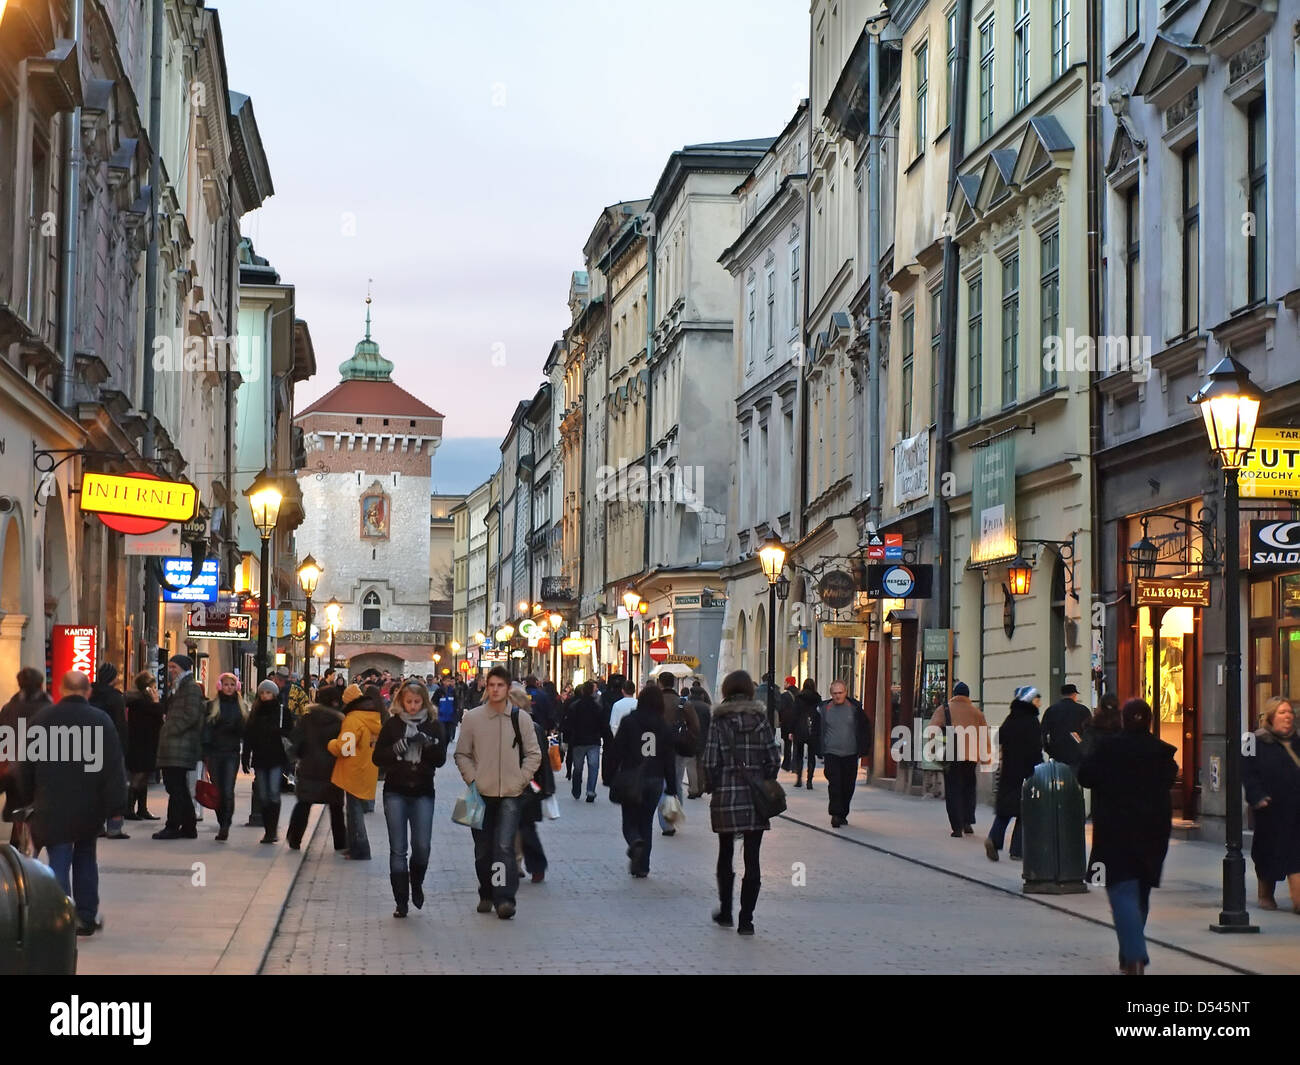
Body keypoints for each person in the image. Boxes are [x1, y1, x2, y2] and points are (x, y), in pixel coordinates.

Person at [21, 671, 127, 936]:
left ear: (59, 689)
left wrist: (26, 799)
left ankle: (60, 915)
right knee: (85, 857)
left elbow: (25, 767)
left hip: (50, 802)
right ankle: (86, 916)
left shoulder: (41, 720)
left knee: (58, 856)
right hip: (88, 804)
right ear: (88, 691)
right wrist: (116, 806)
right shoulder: (100, 721)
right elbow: (113, 766)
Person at [1078, 698, 1176, 975]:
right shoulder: (1161, 753)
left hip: (1115, 832)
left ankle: (1133, 955)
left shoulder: (1108, 749)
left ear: (1124, 720)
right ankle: (1127, 956)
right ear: (1150, 722)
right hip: (1153, 832)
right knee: (1141, 892)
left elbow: (1084, 776)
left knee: (1121, 891)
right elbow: (1170, 778)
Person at [453, 665, 541, 919]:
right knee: (482, 850)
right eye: (491, 685)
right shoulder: (473, 718)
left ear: (507, 687)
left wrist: (521, 779)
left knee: (504, 847)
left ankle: (504, 898)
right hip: (479, 794)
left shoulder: (520, 718)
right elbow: (462, 753)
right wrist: (472, 778)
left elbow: (534, 754)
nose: (495, 689)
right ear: (485, 686)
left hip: (511, 794)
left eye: (500, 685)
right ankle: (486, 892)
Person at [704, 670, 780, 935]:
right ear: (749, 690)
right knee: (753, 857)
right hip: (754, 796)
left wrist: (714, 784)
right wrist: (763, 779)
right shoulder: (760, 720)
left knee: (725, 852)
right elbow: (773, 758)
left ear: (725, 691)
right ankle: (746, 920)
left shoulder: (719, 721)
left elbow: (711, 761)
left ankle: (726, 911)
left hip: (726, 794)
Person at [373, 680, 447, 917]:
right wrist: (398, 748)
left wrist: (430, 744)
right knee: (398, 849)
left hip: (423, 790)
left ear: (424, 701)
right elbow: (377, 758)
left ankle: (416, 882)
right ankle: (401, 901)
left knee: (422, 846)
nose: (413, 706)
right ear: (401, 702)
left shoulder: (434, 725)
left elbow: (440, 759)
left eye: (417, 702)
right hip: (396, 790)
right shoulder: (393, 725)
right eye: (409, 702)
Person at [604, 685, 678, 878]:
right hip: (655, 779)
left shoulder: (629, 722)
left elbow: (616, 751)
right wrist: (671, 786)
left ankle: (634, 841)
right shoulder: (663, 726)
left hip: (631, 777)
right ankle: (643, 866)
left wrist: (609, 776)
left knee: (629, 820)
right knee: (646, 822)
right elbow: (669, 758)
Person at [1241, 695, 1300, 912]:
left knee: (1296, 855)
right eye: (1282, 713)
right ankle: (1265, 893)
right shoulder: (1252, 740)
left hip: (1295, 810)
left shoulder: (1297, 741)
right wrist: (1257, 796)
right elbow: (1246, 773)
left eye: (1290, 713)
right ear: (1271, 716)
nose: (1288, 717)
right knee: (1268, 853)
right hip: (1270, 810)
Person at [286, 683, 348, 852]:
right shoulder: (341, 722)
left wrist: (298, 757)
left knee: (304, 805)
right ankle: (340, 843)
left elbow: (296, 742)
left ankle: (295, 839)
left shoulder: (307, 718)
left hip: (309, 768)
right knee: (336, 809)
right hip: (332, 771)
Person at [984, 687, 1043, 861]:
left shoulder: (1011, 719)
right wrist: (1040, 767)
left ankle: (994, 840)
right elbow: (1035, 749)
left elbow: (999, 738)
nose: (1039, 702)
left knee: (1005, 811)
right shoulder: (1032, 722)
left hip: (1009, 771)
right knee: (1024, 812)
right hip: (1027, 772)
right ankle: (1017, 850)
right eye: (1036, 699)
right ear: (1029, 701)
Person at [328, 684, 383, 860]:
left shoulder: (353, 719)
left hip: (353, 769)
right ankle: (355, 846)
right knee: (354, 809)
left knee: (354, 811)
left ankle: (360, 847)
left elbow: (345, 747)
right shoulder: (373, 717)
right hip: (367, 767)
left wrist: (331, 744)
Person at [0, 667, 52, 854]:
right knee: (35, 809)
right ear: (40, 684)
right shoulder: (48, 708)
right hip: (40, 767)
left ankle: (16, 847)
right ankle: (29, 851)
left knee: (18, 809)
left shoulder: (9, 708)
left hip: (13, 767)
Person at [153, 655, 205, 840]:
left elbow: (190, 715)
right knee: (178, 787)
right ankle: (188, 826)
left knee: (176, 787)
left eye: (174, 666)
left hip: (180, 745)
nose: (171, 670)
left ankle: (173, 825)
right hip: (175, 746)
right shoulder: (179, 687)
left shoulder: (191, 688)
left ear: (183, 668)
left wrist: (170, 729)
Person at [931, 681, 989, 838]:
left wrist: (932, 749)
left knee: (953, 789)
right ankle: (967, 822)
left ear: (954, 694)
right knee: (969, 788)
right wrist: (986, 758)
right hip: (971, 757)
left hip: (952, 755)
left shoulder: (944, 709)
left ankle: (956, 827)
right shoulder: (977, 713)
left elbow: (932, 730)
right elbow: (984, 737)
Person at [511, 683, 554, 884]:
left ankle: (536, 865)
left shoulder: (531, 727)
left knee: (525, 828)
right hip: (520, 784)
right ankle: (528, 865)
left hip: (528, 786)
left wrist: (541, 786)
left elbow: (539, 760)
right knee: (523, 827)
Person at [243, 680, 290, 844]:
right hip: (260, 758)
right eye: (262, 693)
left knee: (273, 793)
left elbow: (290, 734)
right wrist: (245, 756)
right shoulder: (255, 712)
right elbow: (248, 735)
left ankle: (272, 831)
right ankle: (268, 829)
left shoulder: (283, 711)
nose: (265, 696)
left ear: (274, 694)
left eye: (268, 693)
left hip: (276, 757)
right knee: (263, 795)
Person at [202, 672, 247, 842]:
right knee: (217, 791)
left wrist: (239, 726)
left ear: (237, 687)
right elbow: (206, 729)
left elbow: (245, 732)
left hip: (231, 753)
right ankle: (222, 820)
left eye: (232, 684)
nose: (229, 687)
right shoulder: (212, 705)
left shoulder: (241, 706)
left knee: (228, 790)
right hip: (214, 753)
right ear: (220, 686)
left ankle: (225, 824)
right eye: (226, 684)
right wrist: (205, 752)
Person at [819, 680, 871, 827]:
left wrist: (864, 747)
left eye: (840, 693)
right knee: (834, 784)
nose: (837, 696)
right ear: (831, 694)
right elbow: (818, 730)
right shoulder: (824, 709)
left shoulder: (854, 709)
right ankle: (835, 814)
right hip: (831, 753)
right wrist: (819, 748)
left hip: (850, 753)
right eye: (835, 693)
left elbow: (865, 728)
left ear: (846, 692)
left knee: (848, 785)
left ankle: (843, 813)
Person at [90, 663, 130, 840]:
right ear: (113, 678)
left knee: (94, 787)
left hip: (90, 746)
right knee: (114, 787)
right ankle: (114, 827)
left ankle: (96, 825)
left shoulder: (90, 694)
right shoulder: (116, 698)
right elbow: (120, 724)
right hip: (111, 746)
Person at [658, 671, 700, 836]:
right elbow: (695, 727)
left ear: (660, 683)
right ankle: (673, 816)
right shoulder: (683, 703)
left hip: (658, 749)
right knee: (676, 784)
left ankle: (665, 824)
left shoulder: (654, 701)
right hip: (678, 748)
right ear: (674, 683)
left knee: (662, 785)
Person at [123, 671, 163, 823]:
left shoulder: (139, 701)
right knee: (139, 775)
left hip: (145, 742)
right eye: (153, 686)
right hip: (141, 743)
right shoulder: (142, 702)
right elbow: (158, 712)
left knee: (144, 775)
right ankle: (129, 807)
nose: (155, 689)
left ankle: (142, 808)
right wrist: (156, 701)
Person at [564, 681, 604, 802]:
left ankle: (576, 789)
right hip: (593, 741)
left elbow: (569, 724)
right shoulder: (598, 707)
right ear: (592, 691)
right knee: (593, 766)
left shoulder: (575, 706)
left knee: (578, 767)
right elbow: (603, 724)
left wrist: (566, 739)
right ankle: (590, 791)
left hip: (578, 741)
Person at [1041, 683, 1092, 767]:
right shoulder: (1083, 710)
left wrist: (1048, 749)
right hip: (1077, 756)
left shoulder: (1051, 710)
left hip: (1057, 755)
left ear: (1062, 695)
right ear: (1074, 695)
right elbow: (1089, 733)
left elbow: (1043, 733)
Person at [792, 679, 822, 789]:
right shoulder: (817, 698)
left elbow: (794, 714)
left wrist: (792, 730)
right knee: (811, 755)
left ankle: (799, 779)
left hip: (800, 728)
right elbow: (820, 714)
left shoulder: (799, 698)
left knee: (799, 754)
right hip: (812, 728)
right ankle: (809, 781)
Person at [686, 680, 713, 800]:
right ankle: (701, 788)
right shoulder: (707, 707)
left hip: (689, 738)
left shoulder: (686, 705)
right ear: (702, 695)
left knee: (690, 764)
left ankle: (693, 789)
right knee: (700, 764)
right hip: (704, 739)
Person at [778, 676, 799, 771]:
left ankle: (786, 764)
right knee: (797, 744)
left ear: (789, 683)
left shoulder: (784, 696)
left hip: (787, 722)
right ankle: (795, 764)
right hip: (797, 721)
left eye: (785, 682)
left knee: (787, 744)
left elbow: (781, 709)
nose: (784, 684)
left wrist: (780, 719)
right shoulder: (799, 693)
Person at [436, 677, 458, 744]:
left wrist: (455, 714)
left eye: (449, 681)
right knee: (442, 735)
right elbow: (434, 702)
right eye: (447, 681)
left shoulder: (452, 691)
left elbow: (456, 703)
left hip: (450, 717)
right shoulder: (439, 691)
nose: (448, 683)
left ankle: (446, 746)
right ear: (443, 682)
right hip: (441, 718)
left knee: (448, 735)